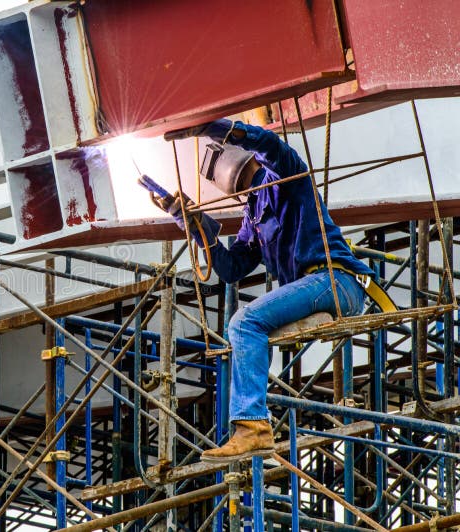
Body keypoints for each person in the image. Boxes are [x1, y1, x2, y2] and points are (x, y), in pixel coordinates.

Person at [158, 119, 373, 463]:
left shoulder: (286, 178)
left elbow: (269, 144)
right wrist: (191, 223)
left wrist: (210, 128)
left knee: (244, 323)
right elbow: (232, 269)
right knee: (246, 325)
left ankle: (253, 428)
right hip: (318, 288)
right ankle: (252, 426)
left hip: (337, 281)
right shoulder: (253, 214)